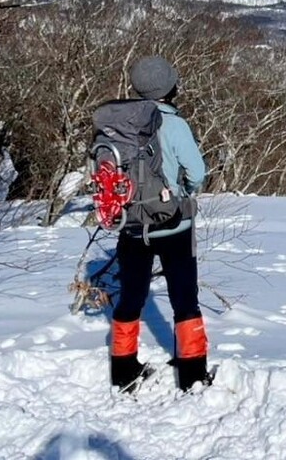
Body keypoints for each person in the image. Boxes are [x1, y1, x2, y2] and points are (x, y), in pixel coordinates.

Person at [108, 55, 211, 392]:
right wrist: (181, 193)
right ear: (170, 87)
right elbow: (197, 173)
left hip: (131, 223)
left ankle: (123, 371)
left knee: (131, 295)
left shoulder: (119, 122)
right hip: (174, 224)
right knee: (184, 296)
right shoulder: (174, 123)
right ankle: (192, 374)